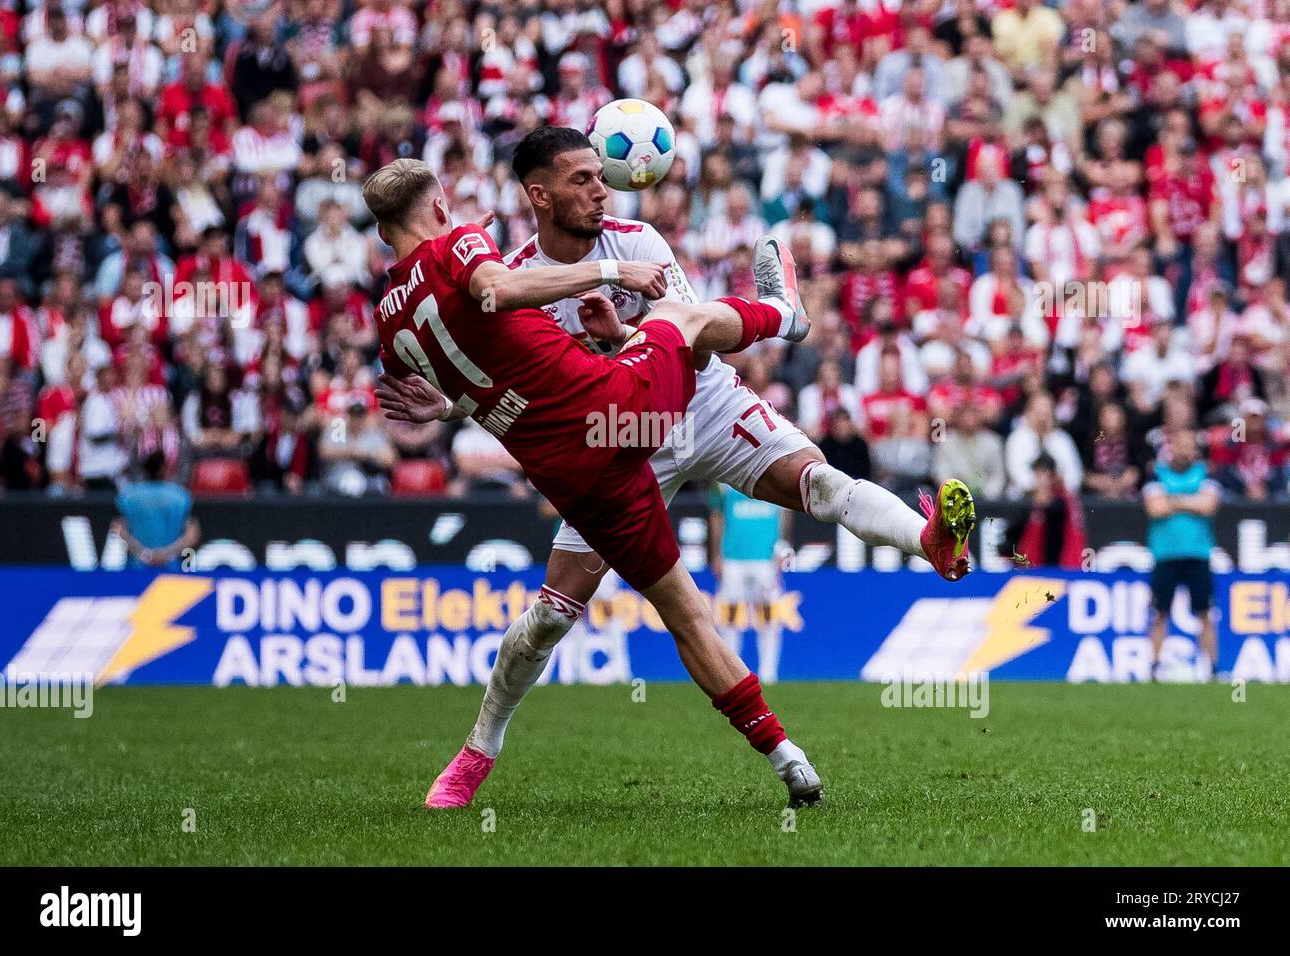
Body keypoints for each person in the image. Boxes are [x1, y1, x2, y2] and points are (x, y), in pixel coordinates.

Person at [378, 130, 979, 809]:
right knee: (551, 617)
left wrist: (619, 337)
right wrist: (449, 402)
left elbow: (691, 345)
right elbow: (510, 386)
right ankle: (476, 751)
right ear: (539, 196)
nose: (601, 188)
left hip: (697, 403)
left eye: (601, 175)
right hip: (607, 439)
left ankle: (925, 540)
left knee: (821, 483)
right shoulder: (515, 274)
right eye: (581, 180)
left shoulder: (637, 243)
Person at [1143, 429, 1221, 681]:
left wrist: (1173, 501)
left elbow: (1208, 506)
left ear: (1195, 450)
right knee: (1159, 613)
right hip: (1165, 555)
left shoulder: (1207, 473)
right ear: (1171, 447)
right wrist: (1191, 501)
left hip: (1198, 554)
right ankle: (1155, 667)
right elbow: (1155, 509)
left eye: (1189, 446)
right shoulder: (1155, 474)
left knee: (1205, 613)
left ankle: (1212, 669)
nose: (1184, 451)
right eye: (1180, 445)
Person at [709, 482, 790, 685]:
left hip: (766, 557)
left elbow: (786, 512)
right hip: (732, 558)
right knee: (730, 616)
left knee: (768, 615)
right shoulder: (722, 480)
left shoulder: (773, 473)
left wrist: (782, 548)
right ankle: (731, 673)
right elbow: (716, 516)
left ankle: (769, 673)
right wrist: (716, 553)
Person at [113, 450, 200, 568]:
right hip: (172, 568)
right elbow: (192, 534)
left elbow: (119, 530)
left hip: (137, 568)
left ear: (144, 469)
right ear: (164, 468)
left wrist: (144, 554)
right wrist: (166, 554)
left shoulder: (127, 496)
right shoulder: (180, 495)